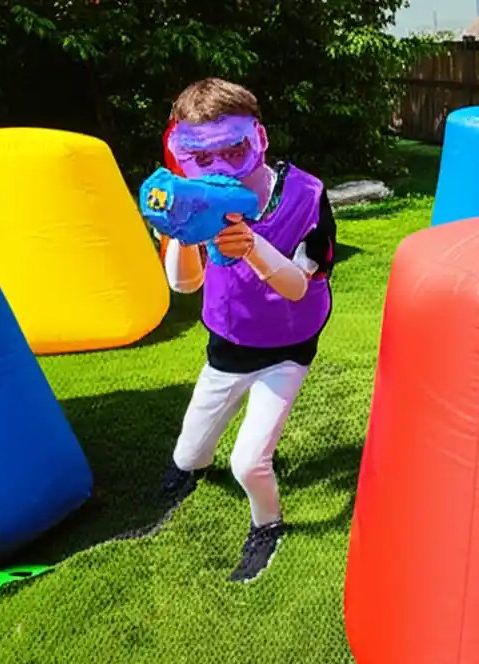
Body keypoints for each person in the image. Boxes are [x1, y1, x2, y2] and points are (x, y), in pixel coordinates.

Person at [160, 78, 336, 582]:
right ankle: (188, 471)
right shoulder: (190, 199)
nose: (217, 169)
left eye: (233, 149)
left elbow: (300, 287)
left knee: (247, 464)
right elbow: (185, 285)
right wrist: (181, 235)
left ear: (258, 138)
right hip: (227, 343)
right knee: (188, 455)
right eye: (199, 156)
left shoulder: (307, 195)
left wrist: (250, 245)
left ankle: (268, 525)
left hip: (287, 346)